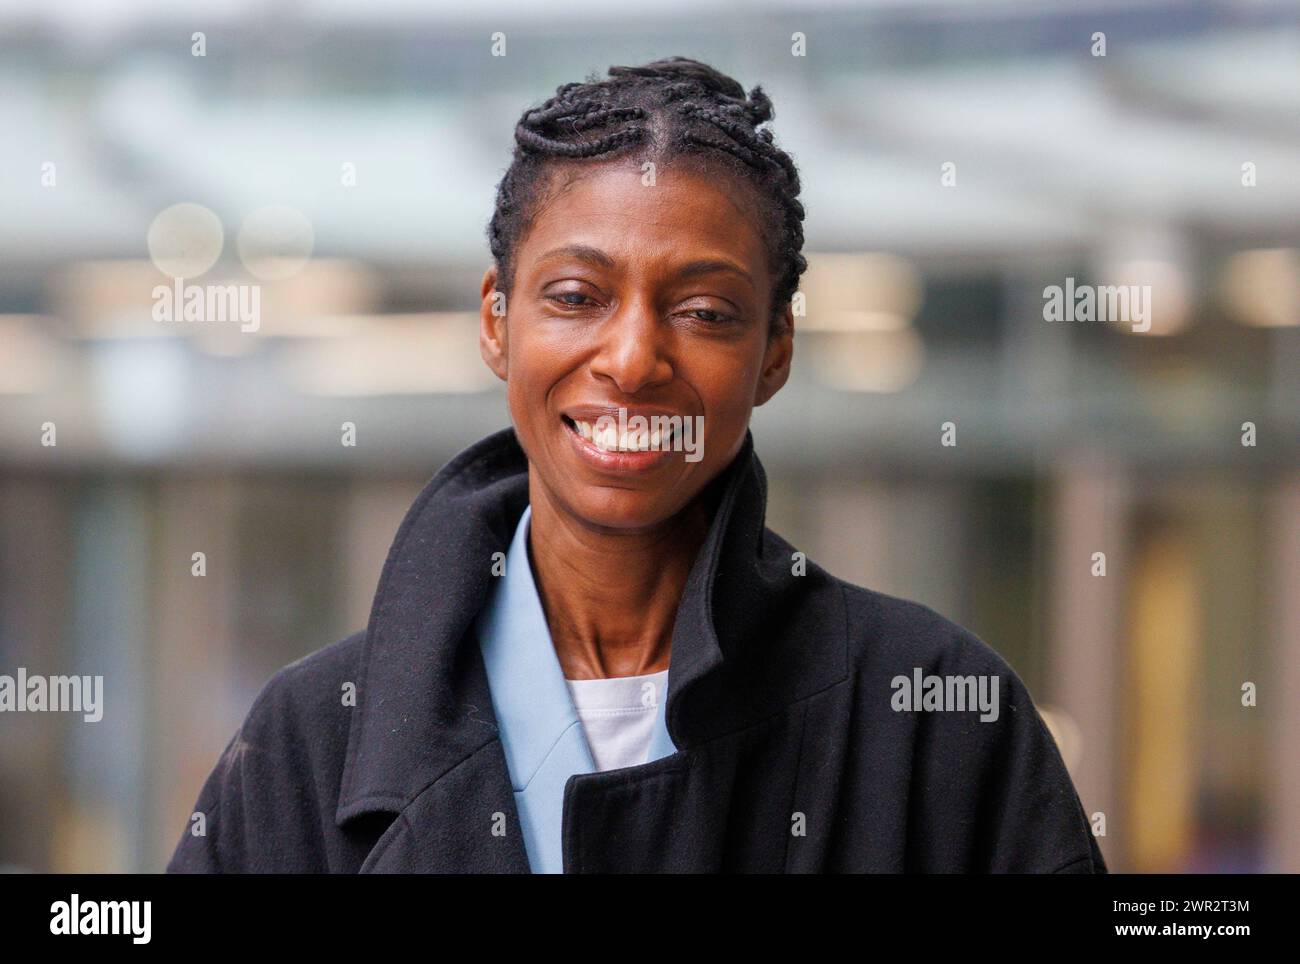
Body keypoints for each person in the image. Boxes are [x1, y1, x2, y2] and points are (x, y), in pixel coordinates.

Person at [167, 56, 1106, 873]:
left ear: (775, 350)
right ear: (497, 321)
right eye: (577, 297)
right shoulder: (309, 740)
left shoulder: (936, 720)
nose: (631, 360)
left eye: (704, 312)